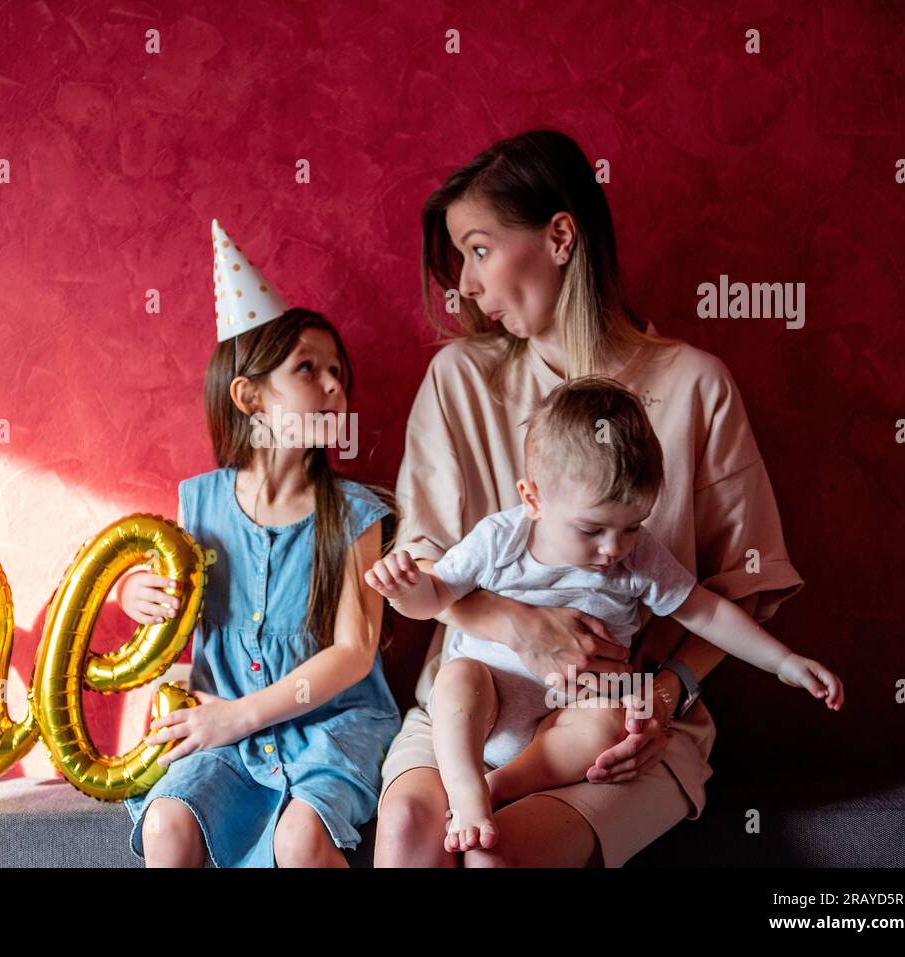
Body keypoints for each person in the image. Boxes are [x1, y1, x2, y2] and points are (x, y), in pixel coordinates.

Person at [374, 129, 807, 868]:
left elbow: (739, 590)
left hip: (621, 715)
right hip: (477, 692)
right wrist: (520, 623)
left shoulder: (696, 385)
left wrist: (663, 698)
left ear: (560, 236)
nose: (466, 287)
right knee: (414, 831)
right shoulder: (458, 381)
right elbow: (428, 573)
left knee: (497, 857)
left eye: (478, 250)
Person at [367, 375, 842, 853]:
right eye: (591, 529)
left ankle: (501, 787)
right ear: (532, 499)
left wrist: (783, 662)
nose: (613, 549)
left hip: (568, 720)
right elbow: (435, 598)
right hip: (486, 702)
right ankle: (467, 787)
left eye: (632, 526)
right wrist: (404, 590)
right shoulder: (499, 540)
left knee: (610, 717)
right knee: (457, 679)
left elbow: (707, 613)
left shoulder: (640, 558)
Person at [118, 219, 402, 867]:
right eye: (308, 368)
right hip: (223, 725)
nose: (334, 385)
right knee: (166, 824)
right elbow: (172, 605)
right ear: (249, 397)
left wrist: (240, 716)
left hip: (332, 726)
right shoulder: (200, 504)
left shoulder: (356, 514)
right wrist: (135, 590)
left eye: (338, 371)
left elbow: (355, 652)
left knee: (299, 840)